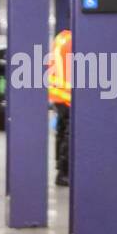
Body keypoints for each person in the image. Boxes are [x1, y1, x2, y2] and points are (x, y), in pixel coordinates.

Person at [47, 29, 72, 186]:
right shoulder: (73, 41)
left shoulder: (62, 37)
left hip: (57, 94)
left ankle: (60, 167)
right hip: (67, 96)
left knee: (62, 132)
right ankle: (64, 173)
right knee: (70, 135)